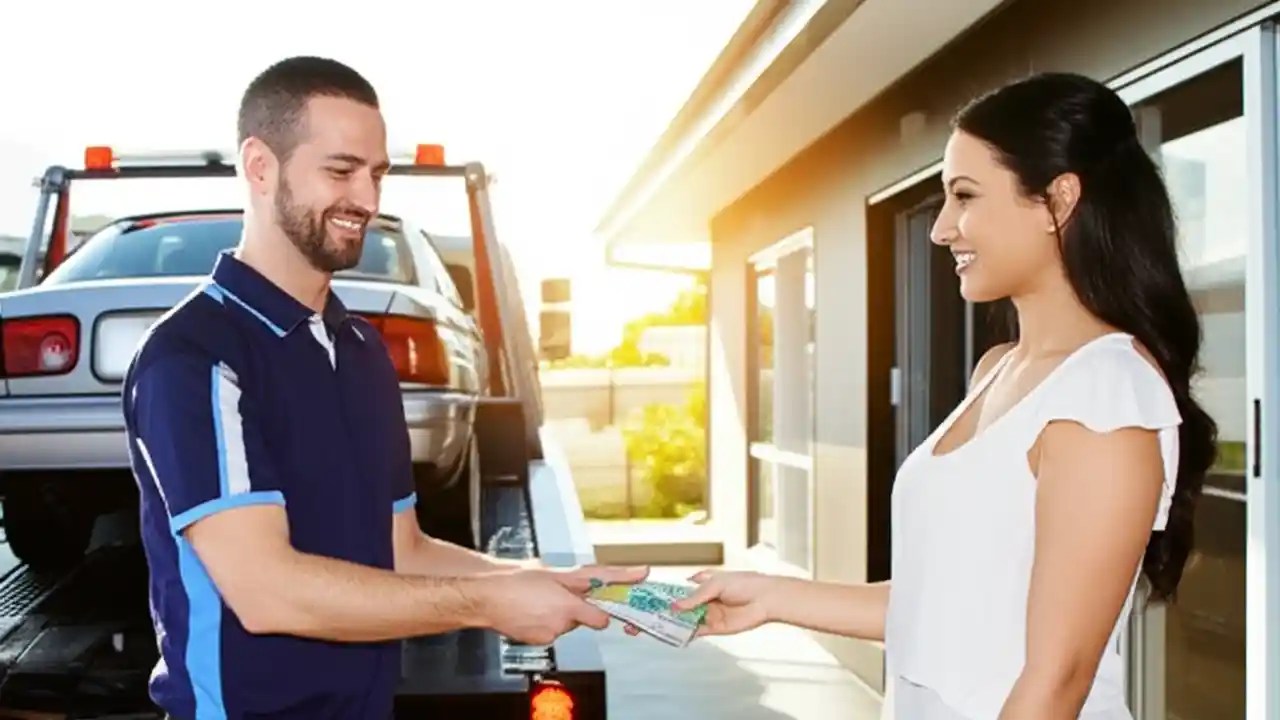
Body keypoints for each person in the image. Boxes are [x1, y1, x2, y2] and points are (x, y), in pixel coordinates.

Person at [662, 72, 1218, 719]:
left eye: (965, 196)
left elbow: (1057, 679)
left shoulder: (1105, 398)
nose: (941, 228)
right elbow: (944, 614)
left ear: (1057, 201)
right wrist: (767, 596)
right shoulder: (996, 370)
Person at [122, 56, 646, 720]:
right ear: (259, 166)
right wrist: (491, 604)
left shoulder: (361, 350)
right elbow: (267, 594)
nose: (367, 201)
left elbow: (403, 550)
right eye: (340, 172)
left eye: (376, 175)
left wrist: (555, 583)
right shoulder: (193, 355)